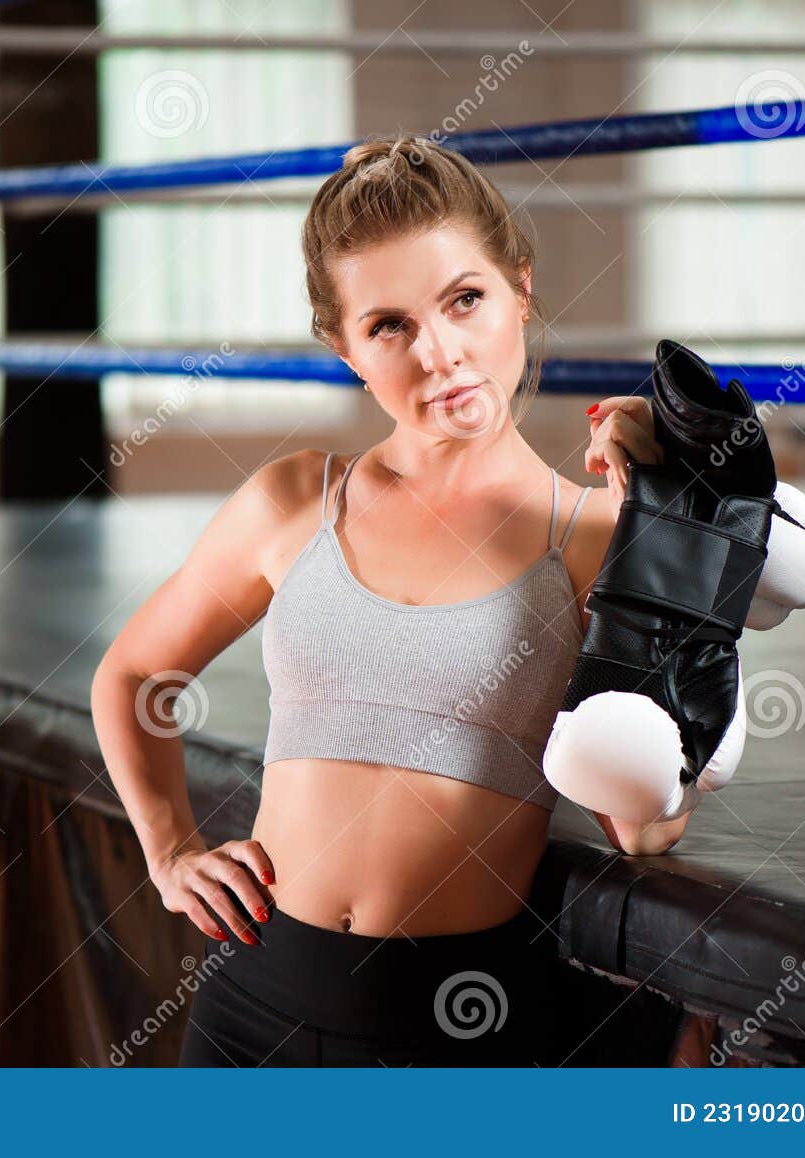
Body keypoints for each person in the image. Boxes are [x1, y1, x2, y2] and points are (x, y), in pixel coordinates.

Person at [89, 135, 688, 1068]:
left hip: (453, 1025)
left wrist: (667, 529)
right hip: (250, 1003)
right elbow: (132, 671)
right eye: (389, 325)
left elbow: (646, 824)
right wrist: (170, 853)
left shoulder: (596, 536)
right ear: (344, 348)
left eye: (464, 300)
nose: (440, 354)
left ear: (520, 290)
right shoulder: (294, 501)